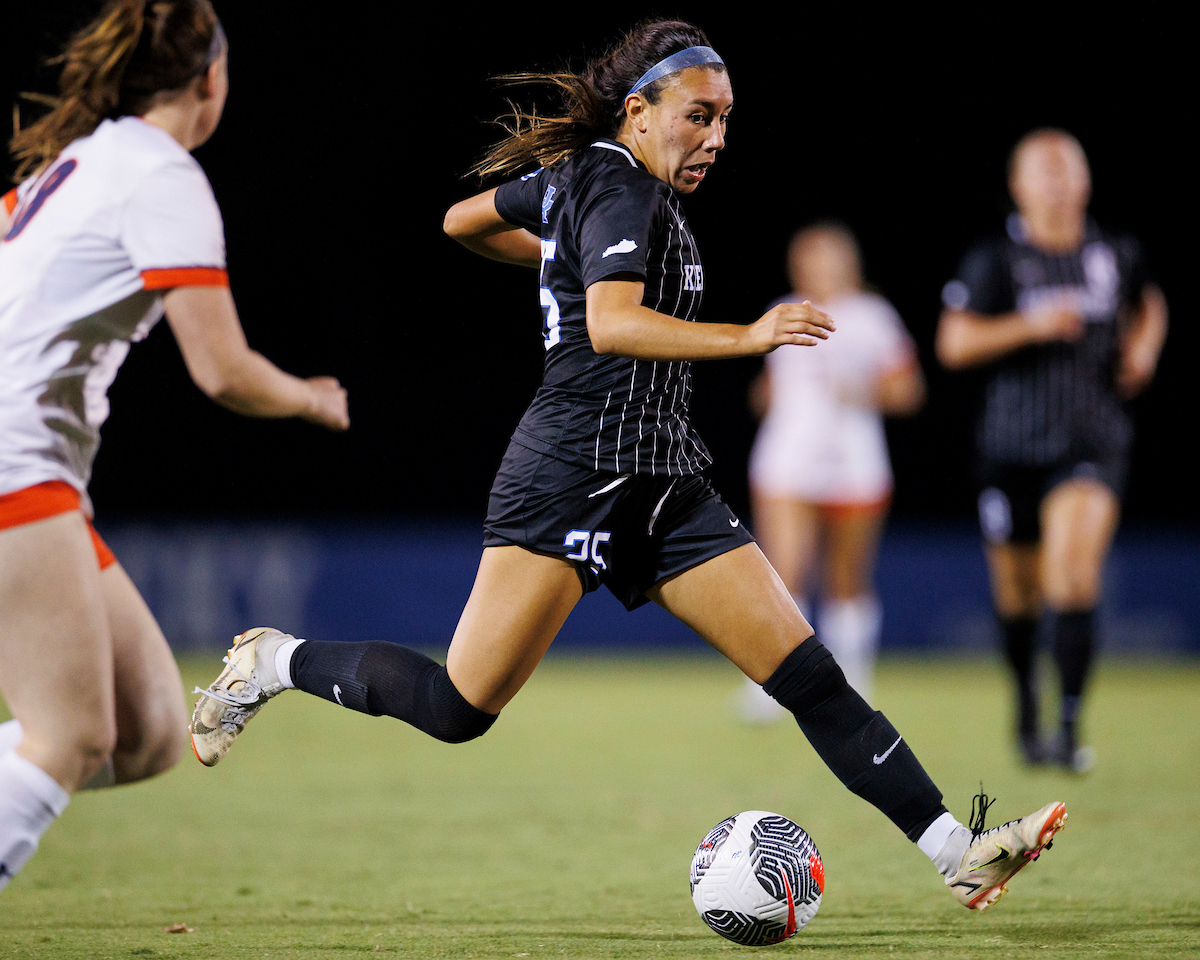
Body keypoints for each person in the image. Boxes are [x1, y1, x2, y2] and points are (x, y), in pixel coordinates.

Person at [190, 19, 1065, 913]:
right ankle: (273, 662)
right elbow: (608, 323)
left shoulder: (602, 183)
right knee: (458, 709)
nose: (716, 136)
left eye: (727, 119)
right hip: (568, 473)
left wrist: (554, 251)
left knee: (810, 676)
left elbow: (464, 221)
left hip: (664, 483)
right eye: (698, 115)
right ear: (639, 111)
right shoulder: (614, 184)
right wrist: (750, 335)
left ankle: (958, 850)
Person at [0, 0, 349, 893]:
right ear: (210, 79)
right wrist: (311, 398)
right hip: (14, 460)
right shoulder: (160, 174)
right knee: (72, 735)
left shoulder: (80, 161)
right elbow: (223, 369)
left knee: (147, 726)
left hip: (37, 466)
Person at [936, 129, 1167, 771]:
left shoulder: (1115, 252)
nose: (1061, 181)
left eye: (1070, 168)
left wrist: (1144, 350)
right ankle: (1026, 702)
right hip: (1010, 448)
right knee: (1018, 595)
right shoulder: (997, 260)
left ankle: (1068, 726)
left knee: (1072, 572)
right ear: (1019, 185)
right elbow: (954, 344)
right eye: (1046, 170)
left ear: (1087, 181)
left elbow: (1149, 304)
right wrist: (1028, 325)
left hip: (1092, 442)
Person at [739, 223, 924, 721]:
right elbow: (765, 389)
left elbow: (907, 389)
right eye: (807, 258)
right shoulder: (784, 308)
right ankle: (769, 687)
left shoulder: (873, 317)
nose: (814, 268)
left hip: (854, 463)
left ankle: (851, 682)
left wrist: (860, 391)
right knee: (782, 574)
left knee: (847, 580)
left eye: (825, 257)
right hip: (789, 462)